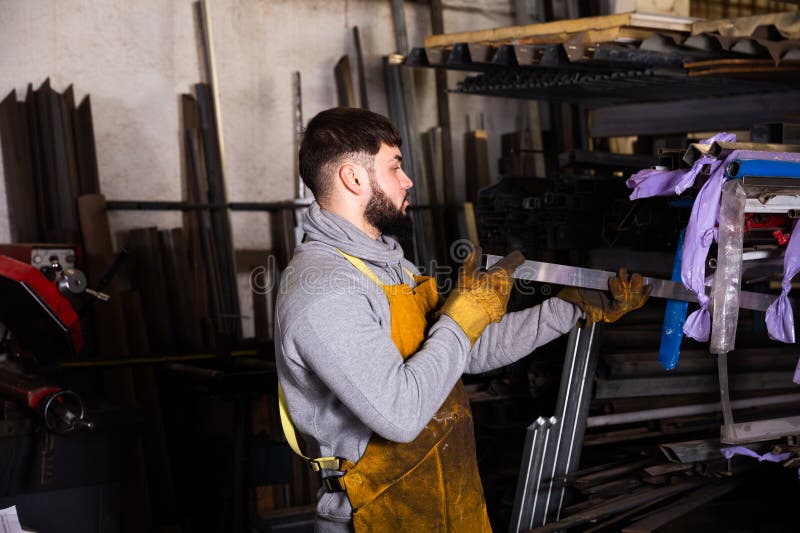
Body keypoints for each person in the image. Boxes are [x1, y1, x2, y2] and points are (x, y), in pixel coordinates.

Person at [274, 107, 651, 532]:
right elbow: (400, 414)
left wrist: (571, 306)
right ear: (354, 178)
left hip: (447, 502)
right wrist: (459, 319)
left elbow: (465, 352)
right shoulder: (323, 290)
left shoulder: (391, 266)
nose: (407, 180)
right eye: (395, 166)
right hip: (378, 518)